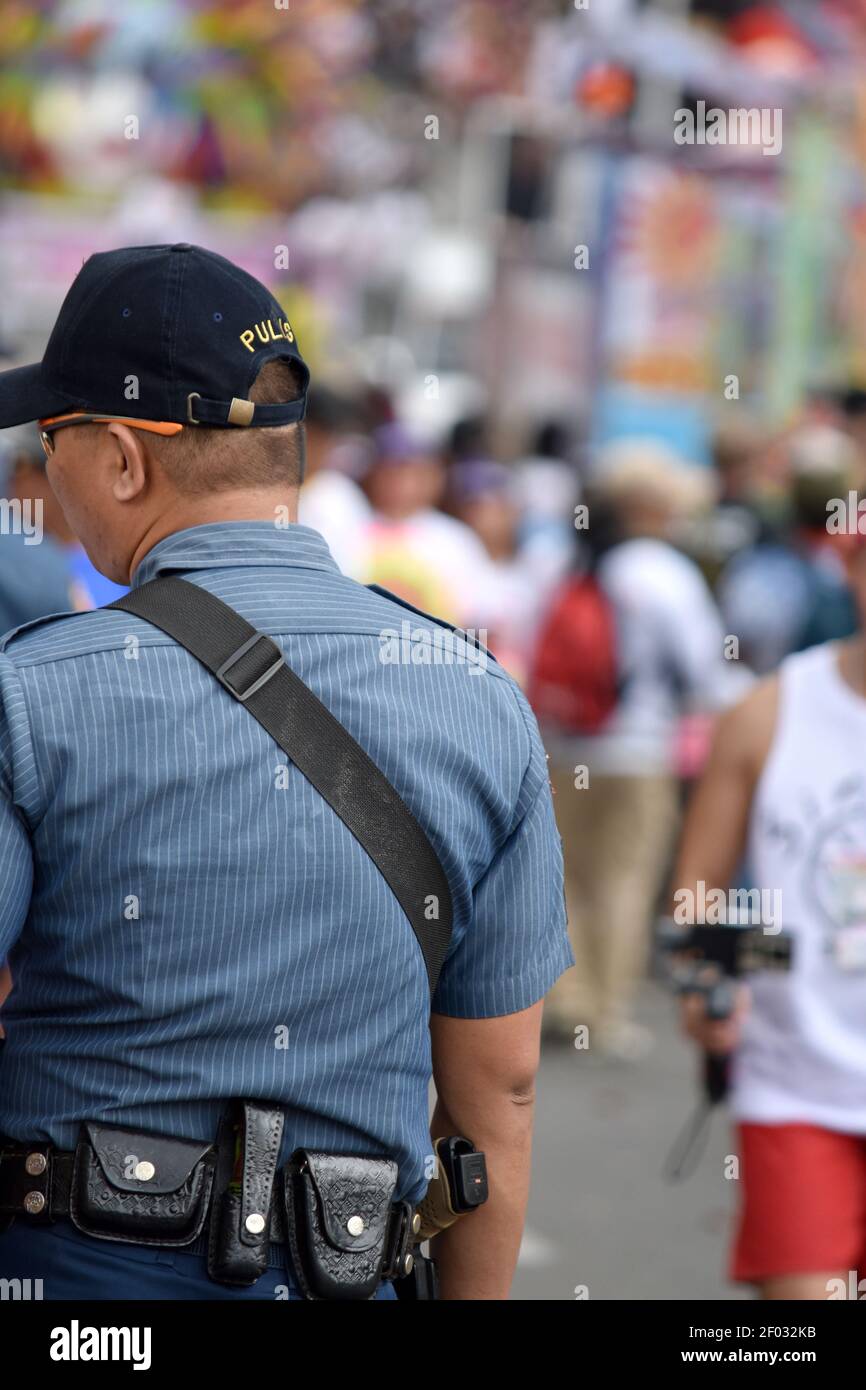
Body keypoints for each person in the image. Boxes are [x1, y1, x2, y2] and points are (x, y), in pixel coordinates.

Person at [0, 244, 573, 1301]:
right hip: (348, 1266)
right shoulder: (476, 693)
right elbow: (499, 1091)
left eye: (51, 441)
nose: (45, 478)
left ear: (123, 459)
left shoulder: (30, 692)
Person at [673, 526, 866, 1299]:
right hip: (797, 1084)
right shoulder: (769, 711)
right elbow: (697, 888)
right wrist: (701, 984)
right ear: (852, 569)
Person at [540, 441, 751, 1058]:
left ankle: (565, 1000)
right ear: (656, 507)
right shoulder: (665, 573)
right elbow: (707, 676)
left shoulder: (572, 560)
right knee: (625, 880)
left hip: (564, 744)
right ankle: (606, 1012)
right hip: (636, 751)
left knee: (568, 877)